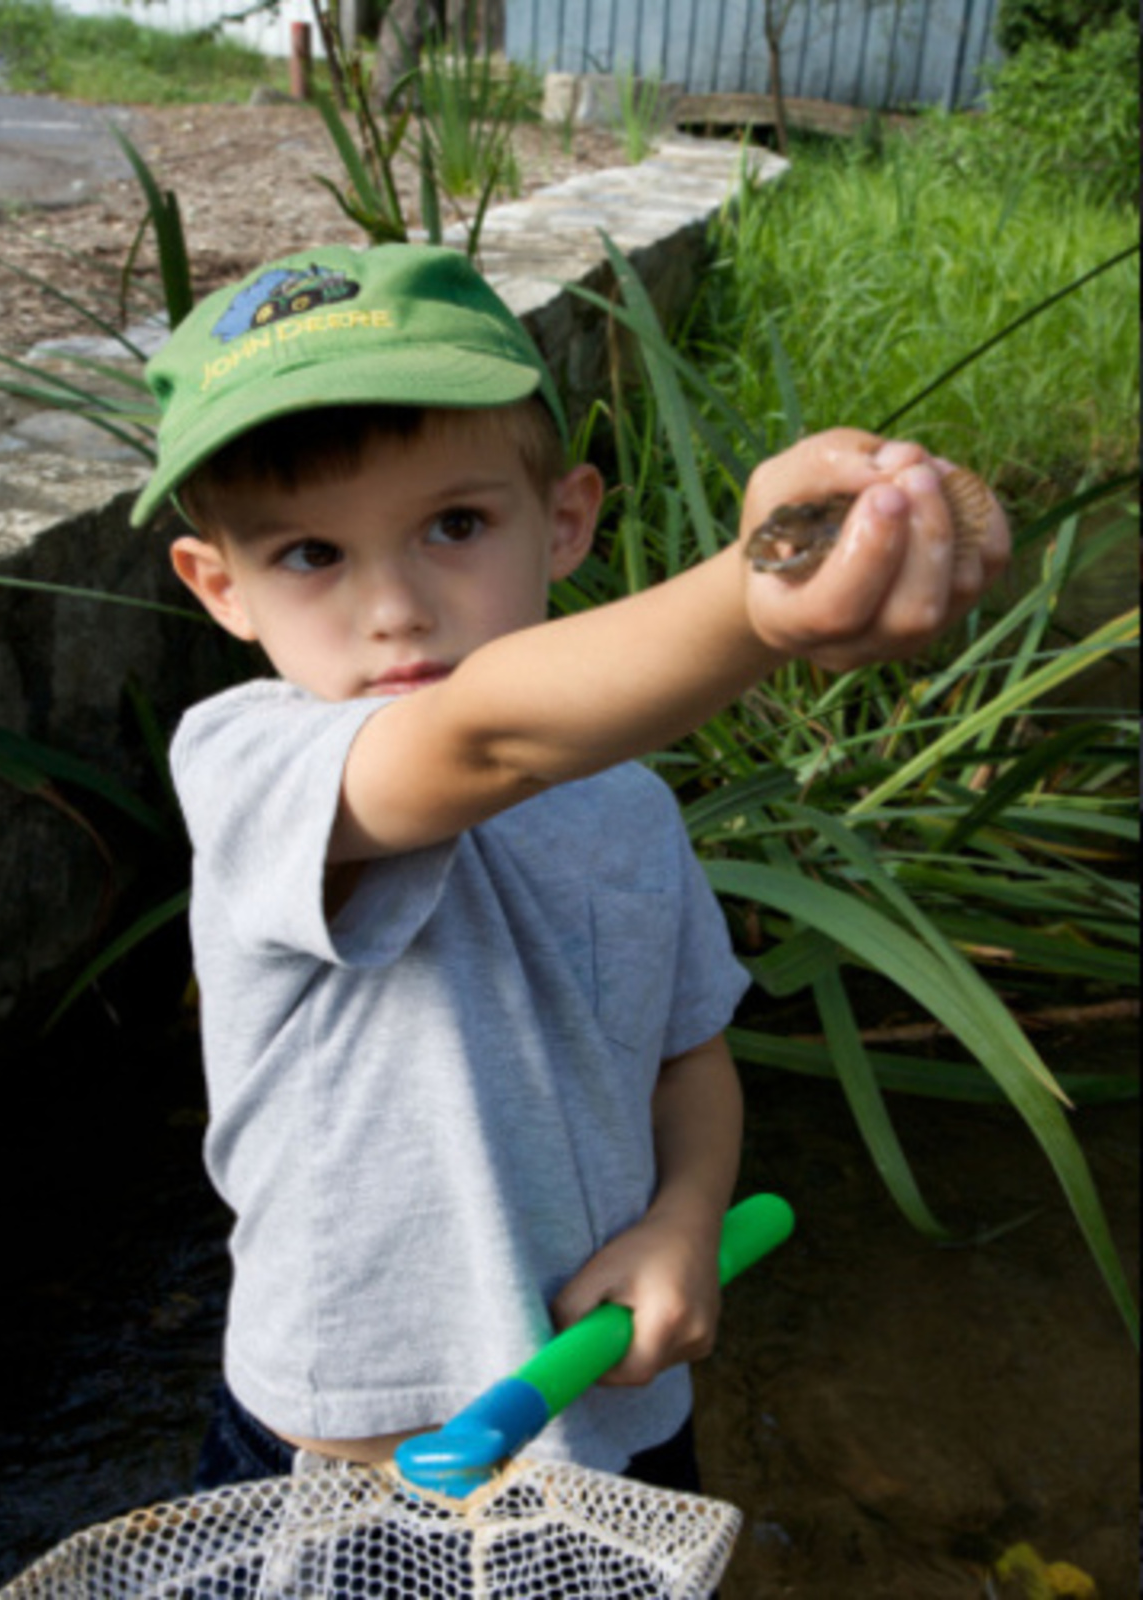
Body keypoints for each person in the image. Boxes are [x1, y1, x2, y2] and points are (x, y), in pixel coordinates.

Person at [130, 242, 1009, 1495]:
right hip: (342, 1452)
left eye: (454, 525)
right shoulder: (249, 766)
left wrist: (685, 1220)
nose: (394, 609)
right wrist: (754, 598)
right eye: (311, 555)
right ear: (222, 588)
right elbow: (482, 733)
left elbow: (687, 1051)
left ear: (566, 521)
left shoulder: (635, 809)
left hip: (609, 1423)